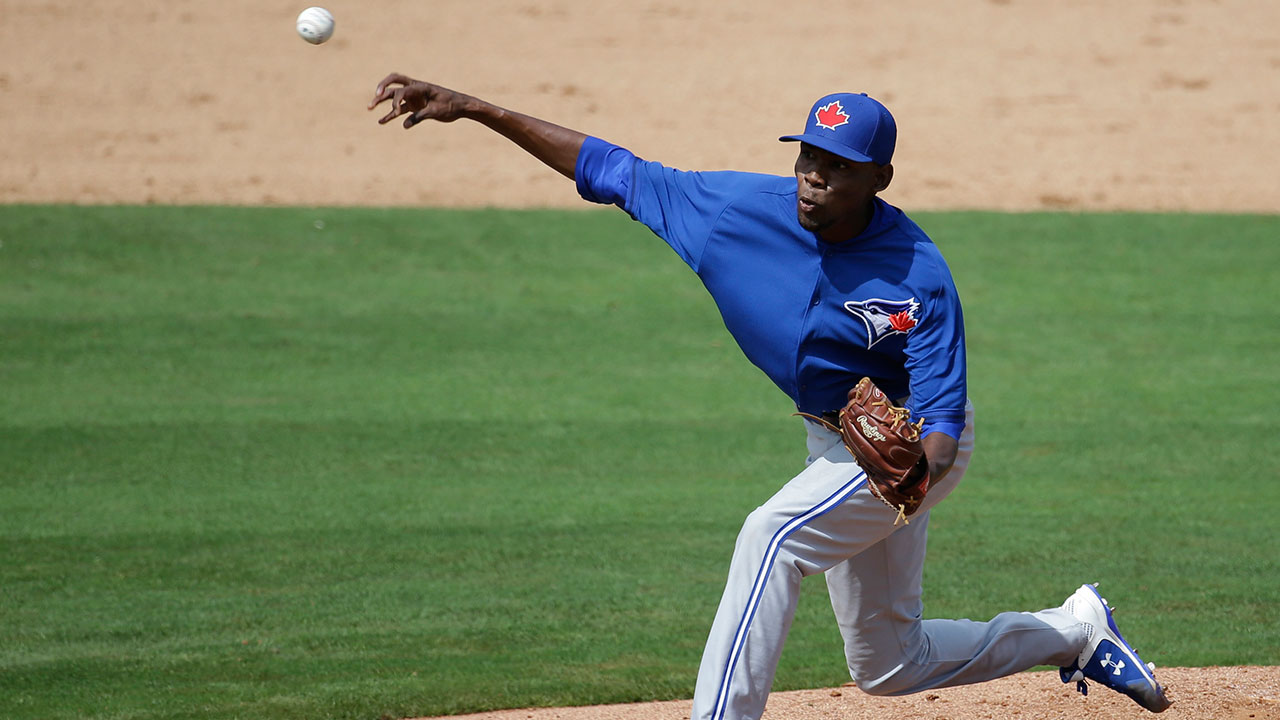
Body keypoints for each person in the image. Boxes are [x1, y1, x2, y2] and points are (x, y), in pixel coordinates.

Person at [368, 74, 1172, 717]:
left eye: (837, 168)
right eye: (808, 158)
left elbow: (943, 419)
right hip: (835, 444)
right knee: (892, 666)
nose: (814, 179)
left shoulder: (917, 271)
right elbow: (609, 168)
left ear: (879, 179)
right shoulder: (728, 212)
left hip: (912, 446)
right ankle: (1076, 632)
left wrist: (916, 472)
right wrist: (473, 108)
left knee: (772, 538)